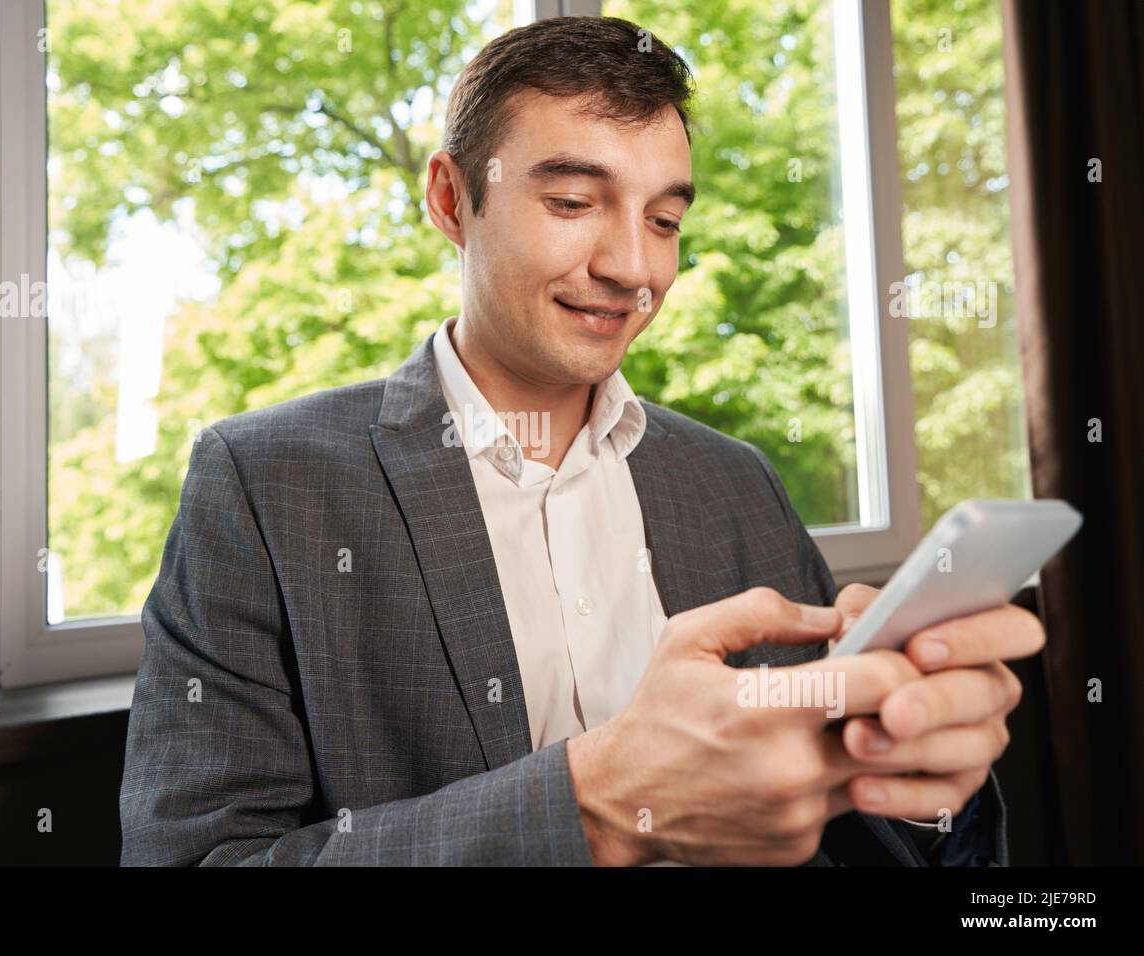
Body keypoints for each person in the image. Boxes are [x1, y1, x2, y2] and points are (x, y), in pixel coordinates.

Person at [119, 16, 1037, 866]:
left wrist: (910, 778)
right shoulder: (265, 483)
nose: (633, 267)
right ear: (451, 199)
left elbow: (859, 835)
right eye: (571, 201)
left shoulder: (734, 482)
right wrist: (595, 803)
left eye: (664, 221)